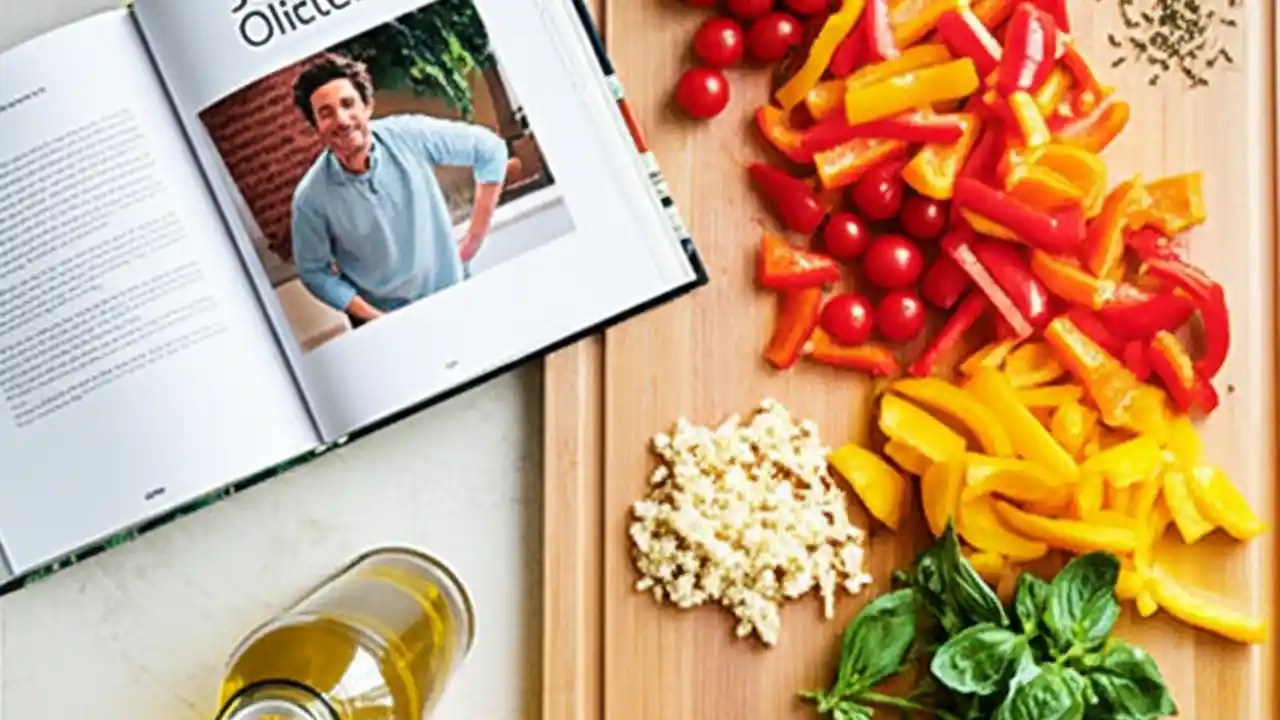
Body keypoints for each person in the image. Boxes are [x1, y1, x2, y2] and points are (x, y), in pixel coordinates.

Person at [289, 53, 510, 327]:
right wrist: (377, 319)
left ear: (367, 106)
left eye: (348, 104)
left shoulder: (410, 135)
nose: (342, 119)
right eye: (326, 113)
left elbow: (490, 150)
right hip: (386, 322)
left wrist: (474, 236)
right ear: (316, 127)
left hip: (454, 297)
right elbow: (314, 272)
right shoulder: (310, 198)